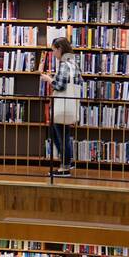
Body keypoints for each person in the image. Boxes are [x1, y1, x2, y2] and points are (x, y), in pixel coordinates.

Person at [41, 37, 81, 175]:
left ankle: (64, 167)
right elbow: (78, 82)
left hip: (62, 105)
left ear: (59, 49)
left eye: (53, 51)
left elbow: (60, 85)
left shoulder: (64, 64)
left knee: (61, 136)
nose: (53, 54)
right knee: (63, 135)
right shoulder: (74, 64)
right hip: (69, 105)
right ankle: (67, 163)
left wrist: (48, 79)